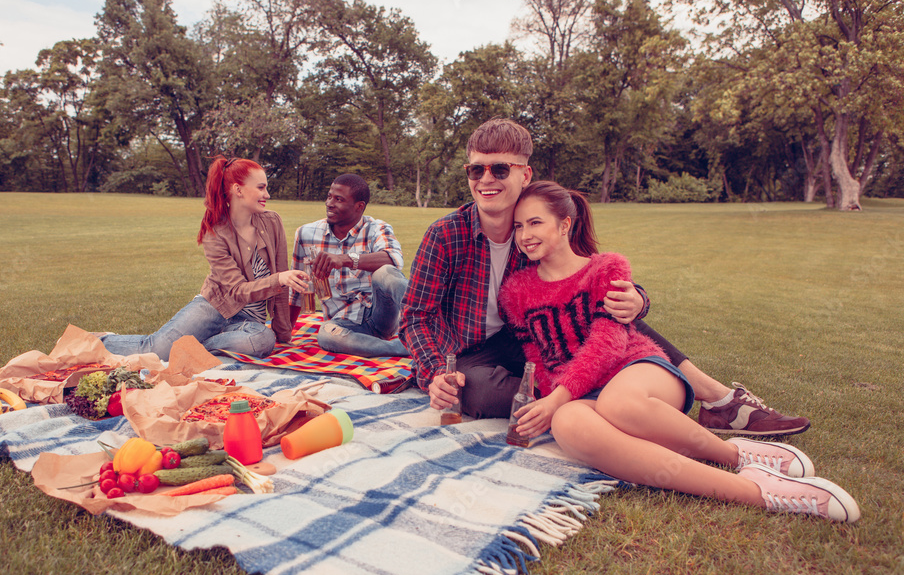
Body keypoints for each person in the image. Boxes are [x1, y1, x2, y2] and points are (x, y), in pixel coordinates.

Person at [400, 118, 809, 436]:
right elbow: (415, 316)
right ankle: (601, 408)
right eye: (476, 170)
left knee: (615, 308)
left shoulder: (540, 226)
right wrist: (436, 372)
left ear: (525, 174)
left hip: (531, 337)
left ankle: (718, 399)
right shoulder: (446, 234)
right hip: (470, 352)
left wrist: (639, 299)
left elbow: (592, 277)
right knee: (482, 394)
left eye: (499, 169)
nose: (486, 180)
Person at [494, 180, 858, 522]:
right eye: (519, 226)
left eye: (536, 223)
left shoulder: (607, 268)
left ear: (564, 225)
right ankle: (755, 490)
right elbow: (536, 356)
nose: (525, 235)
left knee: (615, 404)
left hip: (637, 370)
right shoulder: (516, 291)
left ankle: (736, 454)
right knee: (568, 425)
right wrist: (547, 402)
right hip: (582, 393)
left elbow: (609, 344)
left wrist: (558, 396)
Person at [100, 157, 309, 360]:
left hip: (248, 322)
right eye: (261, 188)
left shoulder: (272, 222)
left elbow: (281, 288)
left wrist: (283, 334)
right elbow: (238, 291)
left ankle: (192, 348)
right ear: (238, 190)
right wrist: (279, 279)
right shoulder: (215, 233)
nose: (268, 194)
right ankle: (102, 341)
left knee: (262, 340)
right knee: (155, 351)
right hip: (213, 308)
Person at [288, 173, 410, 358]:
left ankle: (423, 332)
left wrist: (345, 259)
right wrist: (286, 332)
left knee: (387, 273)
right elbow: (296, 289)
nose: (329, 203)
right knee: (326, 335)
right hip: (342, 324)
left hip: (380, 315)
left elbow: (393, 259)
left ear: (359, 206)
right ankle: (401, 349)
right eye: (329, 197)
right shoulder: (306, 233)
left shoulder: (376, 228)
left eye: (339, 199)